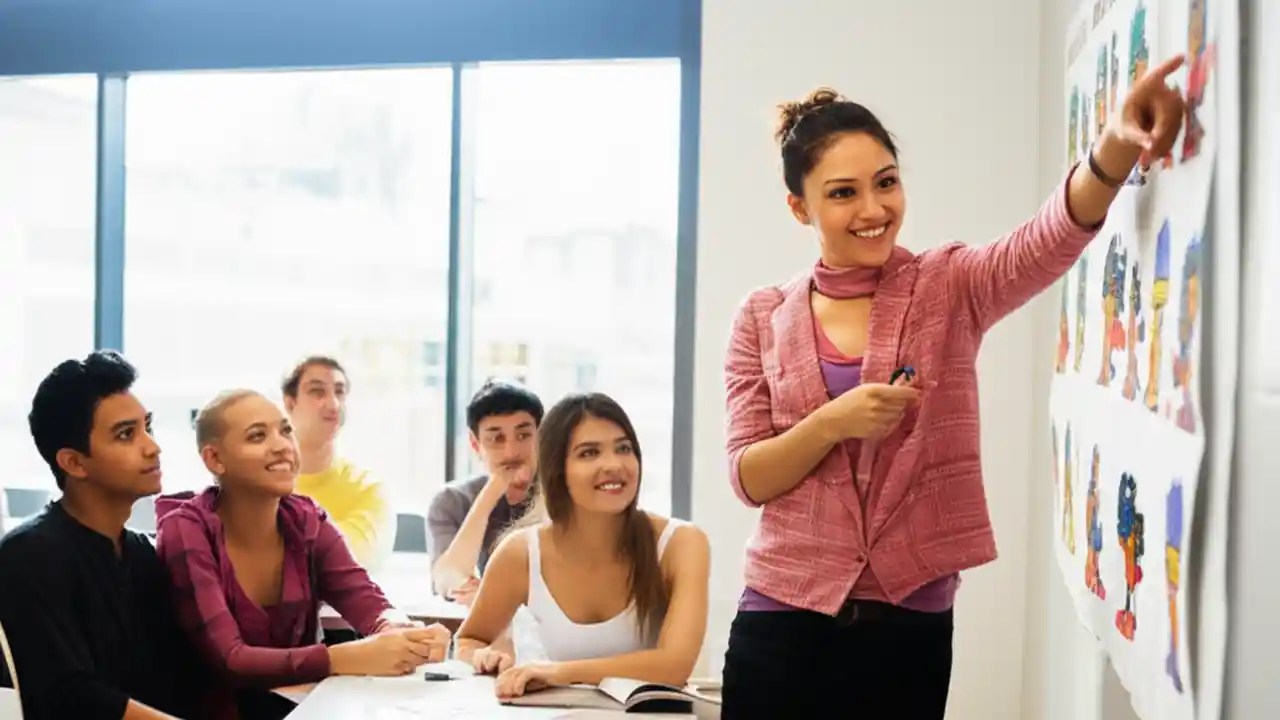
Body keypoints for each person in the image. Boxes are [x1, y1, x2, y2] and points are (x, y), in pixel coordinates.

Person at [719, 57, 1188, 718]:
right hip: (779, 623)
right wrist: (833, 421)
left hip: (908, 628)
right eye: (843, 193)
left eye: (886, 182)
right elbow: (749, 477)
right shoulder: (761, 316)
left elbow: (1046, 239)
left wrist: (1112, 146)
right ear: (800, 207)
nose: (875, 209)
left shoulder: (948, 285)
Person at [155, 389, 451, 720]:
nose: (282, 445)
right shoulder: (185, 530)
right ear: (214, 459)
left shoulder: (306, 518)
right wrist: (345, 657)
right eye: (257, 436)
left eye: (285, 430)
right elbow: (231, 660)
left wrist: (401, 631)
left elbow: (364, 597)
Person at [454, 393, 710, 701]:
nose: (613, 465)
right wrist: (484, 658)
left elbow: (674, 665)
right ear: (556, 470)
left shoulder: (681, 543)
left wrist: (556, 672)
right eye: (589, 453)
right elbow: (469, 640)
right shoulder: (520, 553)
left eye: (624, 448)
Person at [0, 351, 203, 720]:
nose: (152, 447)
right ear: (74, 462)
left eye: (148, 427)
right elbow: (70, 695)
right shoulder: (26, 556)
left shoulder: (144, 555)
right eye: (126, 434)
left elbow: (182, 674)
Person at [428, 379, 543, 605]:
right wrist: (496, 487)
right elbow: (449, 583)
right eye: (496, 439)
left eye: (523, 435)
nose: (511, 451)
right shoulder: (452, 500)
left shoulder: (565, 495)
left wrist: (493, 592)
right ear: (474, 443)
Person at [282, 356, 393, 570]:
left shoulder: (368, 488)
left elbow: (351, 559)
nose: (333, 404)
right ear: (290, 403)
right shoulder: (259, 488)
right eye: (317, 392)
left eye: (340, 392)